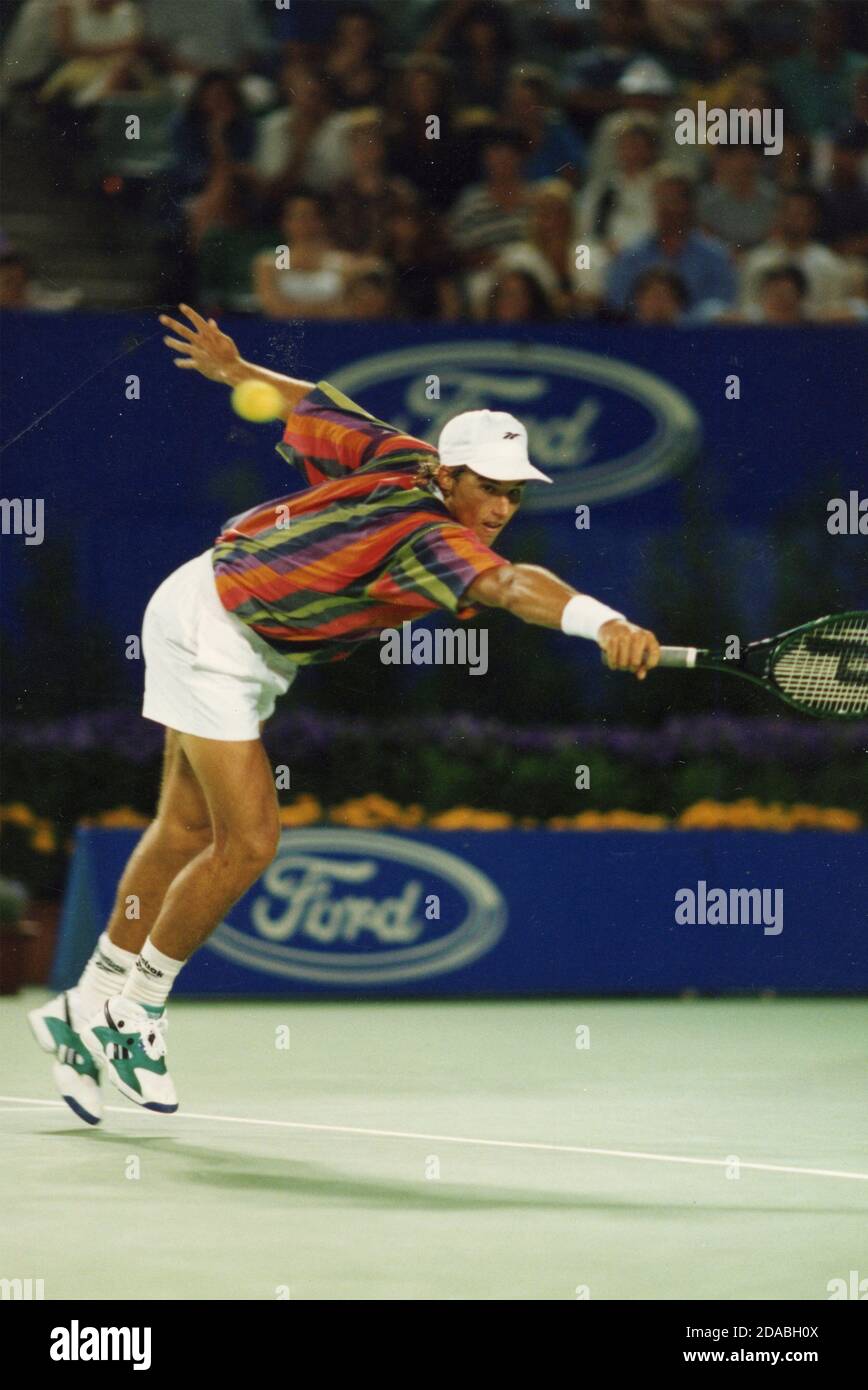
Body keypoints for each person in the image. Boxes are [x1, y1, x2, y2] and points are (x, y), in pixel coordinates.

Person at [28, 302, 660, 1123]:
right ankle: (136, 1010)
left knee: (187, 829)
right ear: (451, 475)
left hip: (237, 623)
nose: (502, 509)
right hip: (212, 623)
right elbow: (510, 585)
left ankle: (87, 1000)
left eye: (514, 494)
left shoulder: (406, 454)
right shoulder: (434, 534)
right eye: (491, 491)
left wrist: (237, 371)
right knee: (251, 840)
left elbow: (306, 404)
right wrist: (603, 621)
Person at [605, 168, 737, 317]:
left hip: (698, 337)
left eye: (672, 200)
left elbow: (722, 308)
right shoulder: (631, 256)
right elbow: (617, 306)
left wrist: (677, 319)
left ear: (690, 205)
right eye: (660, 200)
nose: (665, 208)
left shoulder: (715, 257)